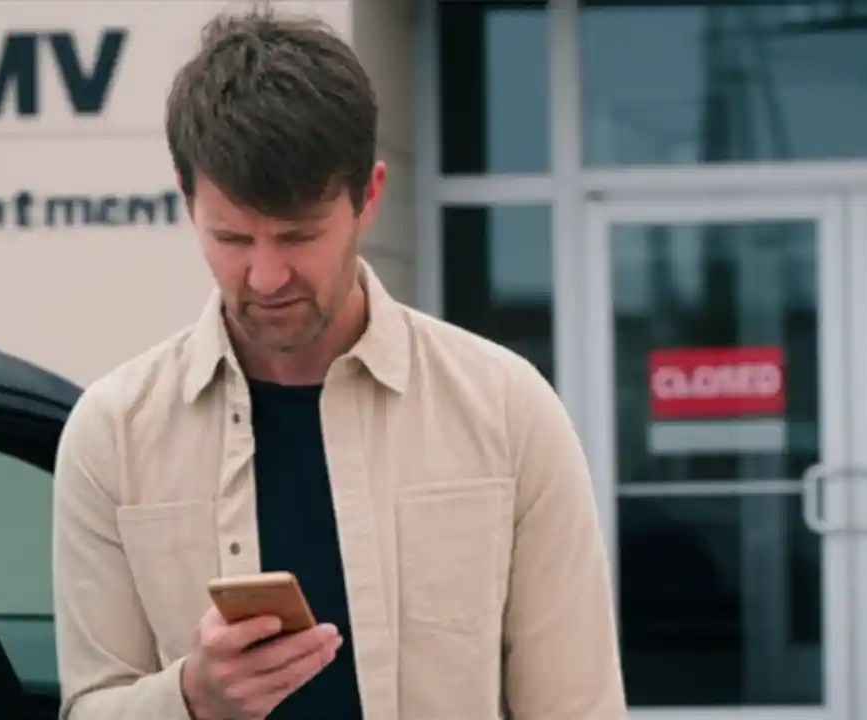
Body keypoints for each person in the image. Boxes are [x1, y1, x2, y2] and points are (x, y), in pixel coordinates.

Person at [52, 7, 626, 720]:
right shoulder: (113, 433)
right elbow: (87, 708)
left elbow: (577, 707)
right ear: (185, 197)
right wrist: (190, 698)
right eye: (232, 237)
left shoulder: (506, 410)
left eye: (299, 236)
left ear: (370, 197)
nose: (264, 276)